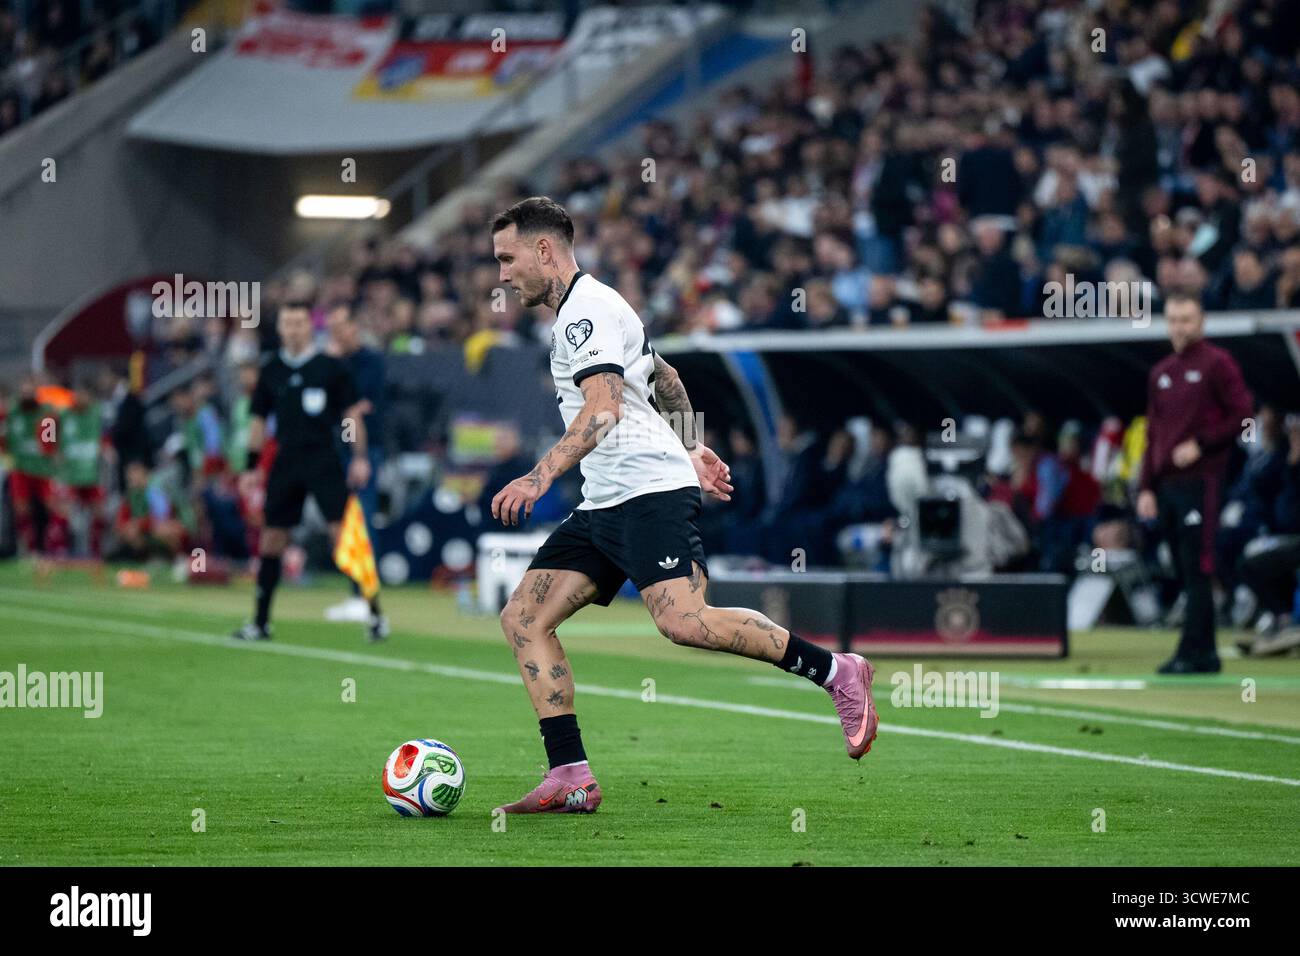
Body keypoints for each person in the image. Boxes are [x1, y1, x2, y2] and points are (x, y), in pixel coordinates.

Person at [487, 197, 878, 814]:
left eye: (508, 259)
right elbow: (664, 379)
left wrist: (537, 478)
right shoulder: (600, 305)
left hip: (647, 491)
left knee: (684, 622)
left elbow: (605, 410)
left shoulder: (583, 313)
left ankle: (836, 672)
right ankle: (570, 772)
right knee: (523, 619)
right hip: (609, 497)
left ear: (544, 249)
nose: (502, 275)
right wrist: (693, 447)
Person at [233, 302, 388, 642]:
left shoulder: (330, 368)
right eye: (288, 323)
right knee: (272, 537)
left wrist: (359, 456)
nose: (293, 329)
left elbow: (351, 415)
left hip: (323, 458)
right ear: (281, 329)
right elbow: (258, 420)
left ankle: (375, 615)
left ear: (309, 327)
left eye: (300, 323)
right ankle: (260, 622)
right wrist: (250, 466)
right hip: (286, 460)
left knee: (345, 537)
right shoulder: (271, 370)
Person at [1136, 292, 1254, 674]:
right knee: (1184, 568)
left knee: (1198, 564)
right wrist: (1147, 487)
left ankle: (1193, 650)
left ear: (1201, 322)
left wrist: (1202, 444)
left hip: (1200, 481)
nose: (1179, 328)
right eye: (1172, 320)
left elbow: (1242, 414)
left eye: (1186, 320)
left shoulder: (1217, 363)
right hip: (1167, 485)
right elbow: (1153, 434)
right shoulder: (1161, 373)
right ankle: (1205, 653)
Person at [323, 304, 387, 623]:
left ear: (353, 329)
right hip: (338, 450)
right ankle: (355, 593)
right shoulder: (335, 364)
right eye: (331, 330)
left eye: (339, 329)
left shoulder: (369, 362)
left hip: (365, 450)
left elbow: (358, 406)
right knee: (344, 523)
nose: (335, 336)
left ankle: (366, 596)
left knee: (362, 520)